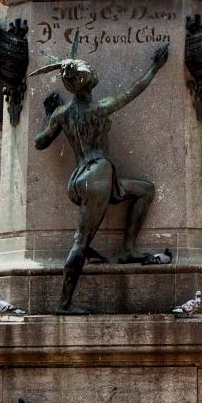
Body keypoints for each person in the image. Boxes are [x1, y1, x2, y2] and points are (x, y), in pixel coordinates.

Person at [32, 45, 169, 312]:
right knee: (81, 242)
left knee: (145, 191)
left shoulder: (63, 114)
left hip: (82, 176)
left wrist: (51, 116)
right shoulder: (99, 108)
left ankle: (128, 249)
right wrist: (155, 67)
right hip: (99, 172)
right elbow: (133, 91)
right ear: (87, 84)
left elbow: (40, 142)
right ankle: (64, 304)